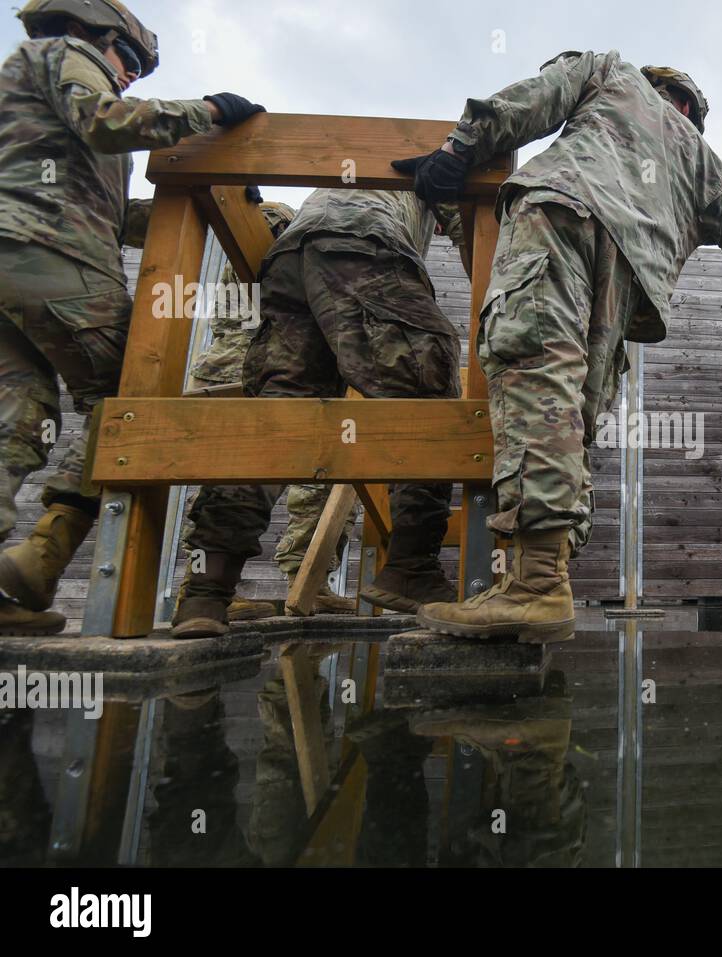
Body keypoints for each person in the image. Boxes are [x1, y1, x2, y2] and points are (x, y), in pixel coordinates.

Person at [392, 52, 722, 644]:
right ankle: (539, 577)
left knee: (536, 378)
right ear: (693, 113)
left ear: (656, 84)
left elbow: (534, 100)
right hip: (630, 281)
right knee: (569, 414)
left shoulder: (612, 73)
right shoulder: (703, 162)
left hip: (560, 214)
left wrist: (459, 150)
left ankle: (533, 586)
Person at [0, 0, 263, 636]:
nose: (130, 78)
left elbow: (113, 215)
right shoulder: (68, 55)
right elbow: (105, 121)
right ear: (102, 33)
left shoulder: (26, 91)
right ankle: (43, 556)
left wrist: (223, 196)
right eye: (131, 62)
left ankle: (16, 585)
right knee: (130, 402)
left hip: (21, 255)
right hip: (53, 253)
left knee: (19, 417)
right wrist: (208, 112)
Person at [171, 189, 465, 639]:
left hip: (291, 257)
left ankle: (207, 592)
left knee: (278, 422)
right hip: (363, 246)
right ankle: (411, 567)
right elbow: (479, 234)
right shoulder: (429, 176)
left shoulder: (346, 182)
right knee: (426, 402)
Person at [180, 198, 358, 619]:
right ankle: (203, 588)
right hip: (248, 362)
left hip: (276, 361)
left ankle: (301, 581)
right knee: (238, 472)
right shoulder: (274, 220)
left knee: (311, 479)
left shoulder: (293, 235)